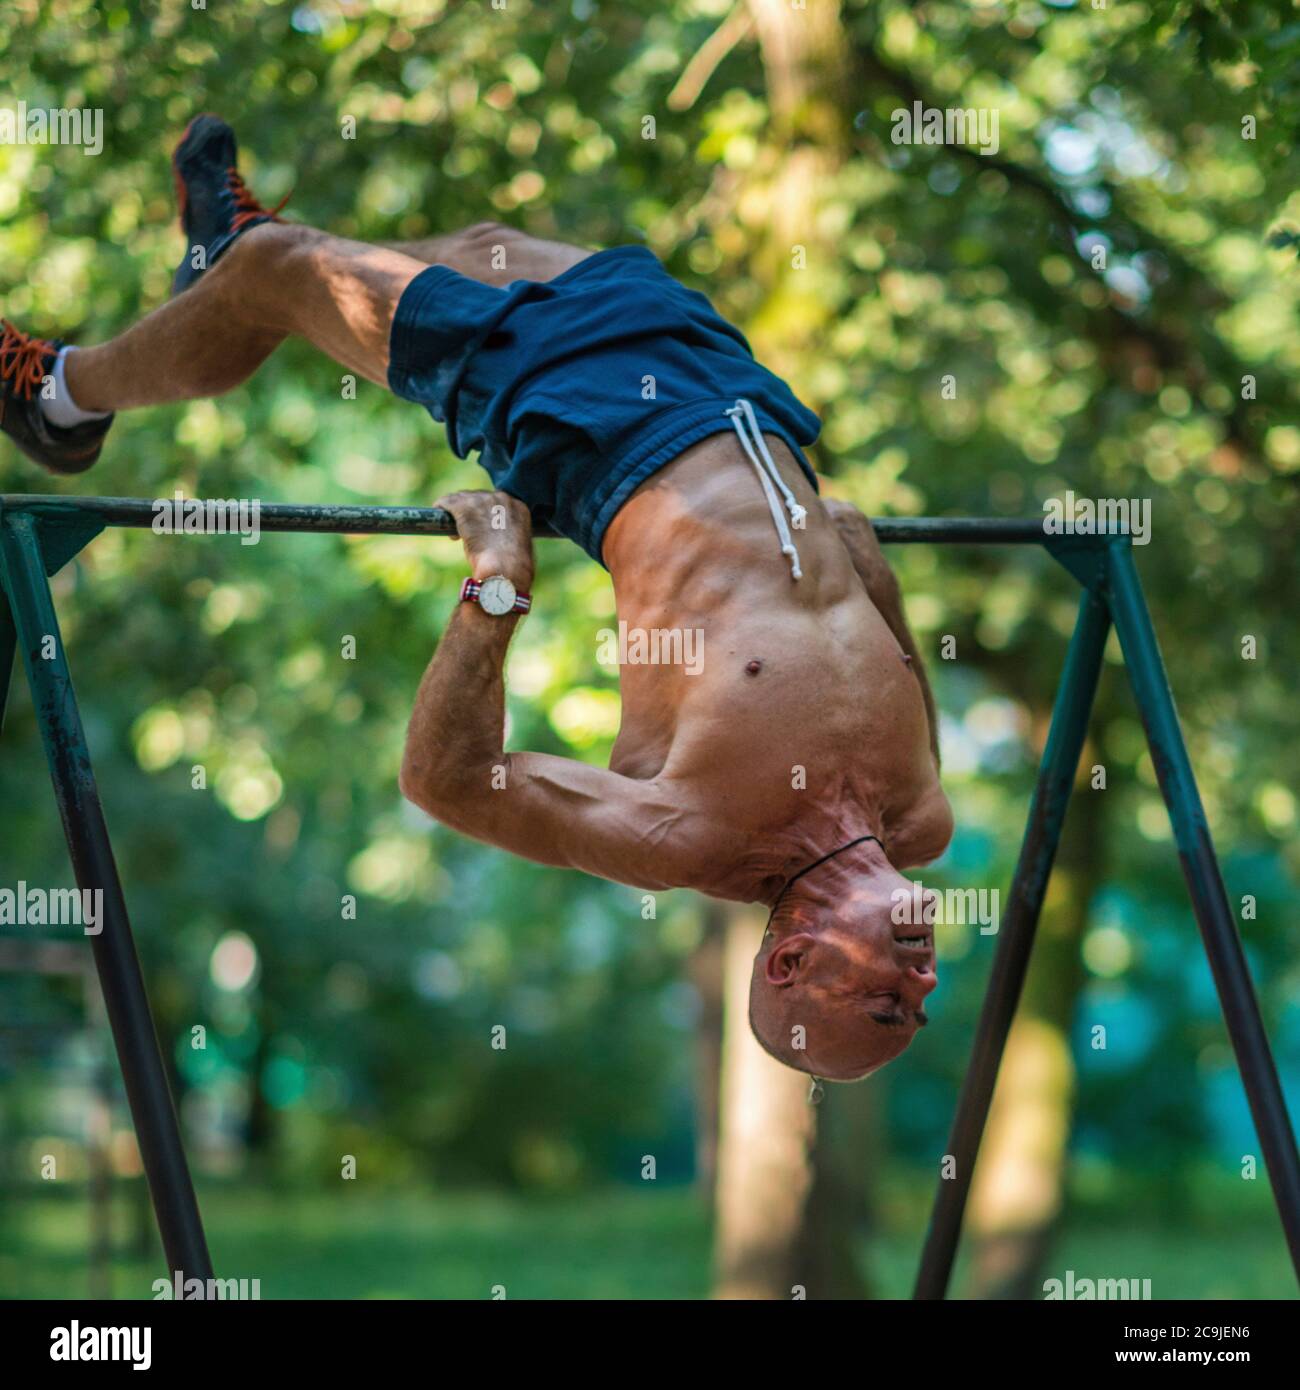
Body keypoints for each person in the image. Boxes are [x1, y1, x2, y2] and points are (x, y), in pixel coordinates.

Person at [0, 116, 951, 1080]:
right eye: (916, 1009)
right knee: (480, 247)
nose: (923, 988)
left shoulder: (693, 834)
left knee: (281, 272)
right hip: (738, 403)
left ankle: (63, 400)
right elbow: (902, 673)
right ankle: (219, 271)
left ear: (792, 959)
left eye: (885, 1004)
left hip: (597, 434)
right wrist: (872, 576)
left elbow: (449, 782)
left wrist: (495, 588)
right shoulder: (922, 820)